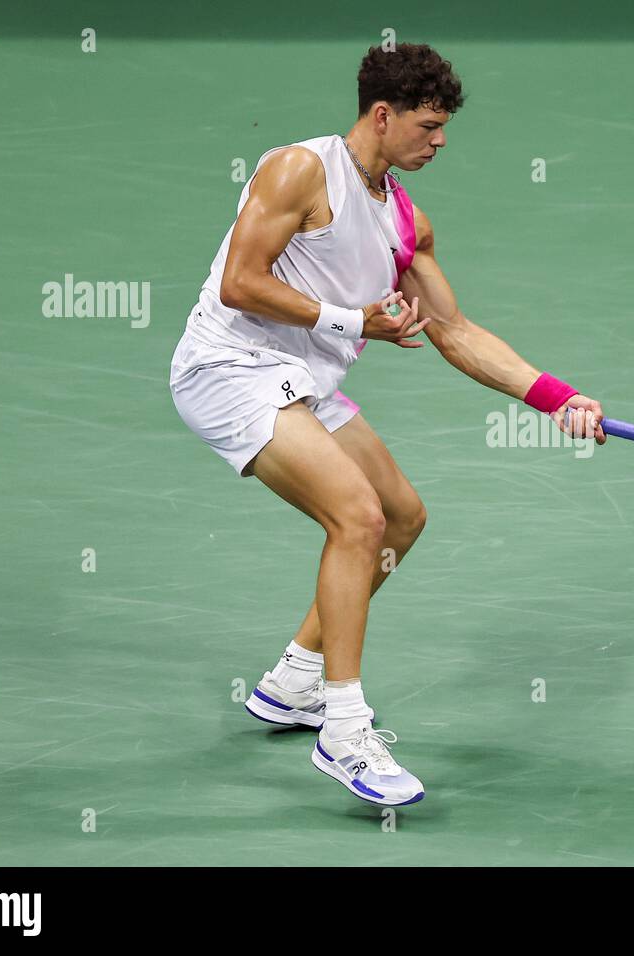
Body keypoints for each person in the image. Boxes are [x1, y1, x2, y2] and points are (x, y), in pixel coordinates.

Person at [169, 42, 606, 807]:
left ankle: (294, 684)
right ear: (383, 114)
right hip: (228, 368)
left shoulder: (405, 221)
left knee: (403, 516)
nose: (439, 142)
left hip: (300, 380)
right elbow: (241, 282)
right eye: (429, 126)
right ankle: (343, 732)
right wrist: (350, 320)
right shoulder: (300, 170)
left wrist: (556, 398)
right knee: (358, 517)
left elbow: (456, 331)